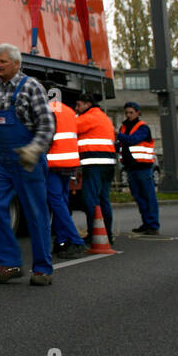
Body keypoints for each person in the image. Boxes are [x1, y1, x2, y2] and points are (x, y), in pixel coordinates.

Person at [0, 43, 57, 286]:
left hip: (28, 159)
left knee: (36, 212)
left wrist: (34, 149)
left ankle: (42, 268)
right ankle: (10, 263)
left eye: (3, 61)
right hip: (0, 161)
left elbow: (47, 124)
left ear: (16, 63)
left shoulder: (31, 87)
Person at [46, 95, 89, 259]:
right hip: (69, 162)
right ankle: (62, 241)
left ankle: (76, 241)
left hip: (53, 162)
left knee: (57, 203)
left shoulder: (46, 110)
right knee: (62, 202)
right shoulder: (70, 111)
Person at [74, 91, 117, 243]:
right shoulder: (103, 117)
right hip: (108, 165)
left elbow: (71, 127)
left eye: (78, 105)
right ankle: (107, 234)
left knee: (90, 200)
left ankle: (94, 235)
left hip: (94, 165)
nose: (77, 109)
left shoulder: (88, 118)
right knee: (104, 199)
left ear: (87, 104)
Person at [116, 101, 160, 235]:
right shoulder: (123, 128)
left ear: (137, 113)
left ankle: (152, 225)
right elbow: (121, 145)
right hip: (130, 167)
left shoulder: (142, 127)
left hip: (143, 167)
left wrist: (117, 136)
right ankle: (146, 223)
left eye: (131, 112)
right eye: (126, 112)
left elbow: (133, 140)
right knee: (139, 197)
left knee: (148, 196)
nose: (128, 115)